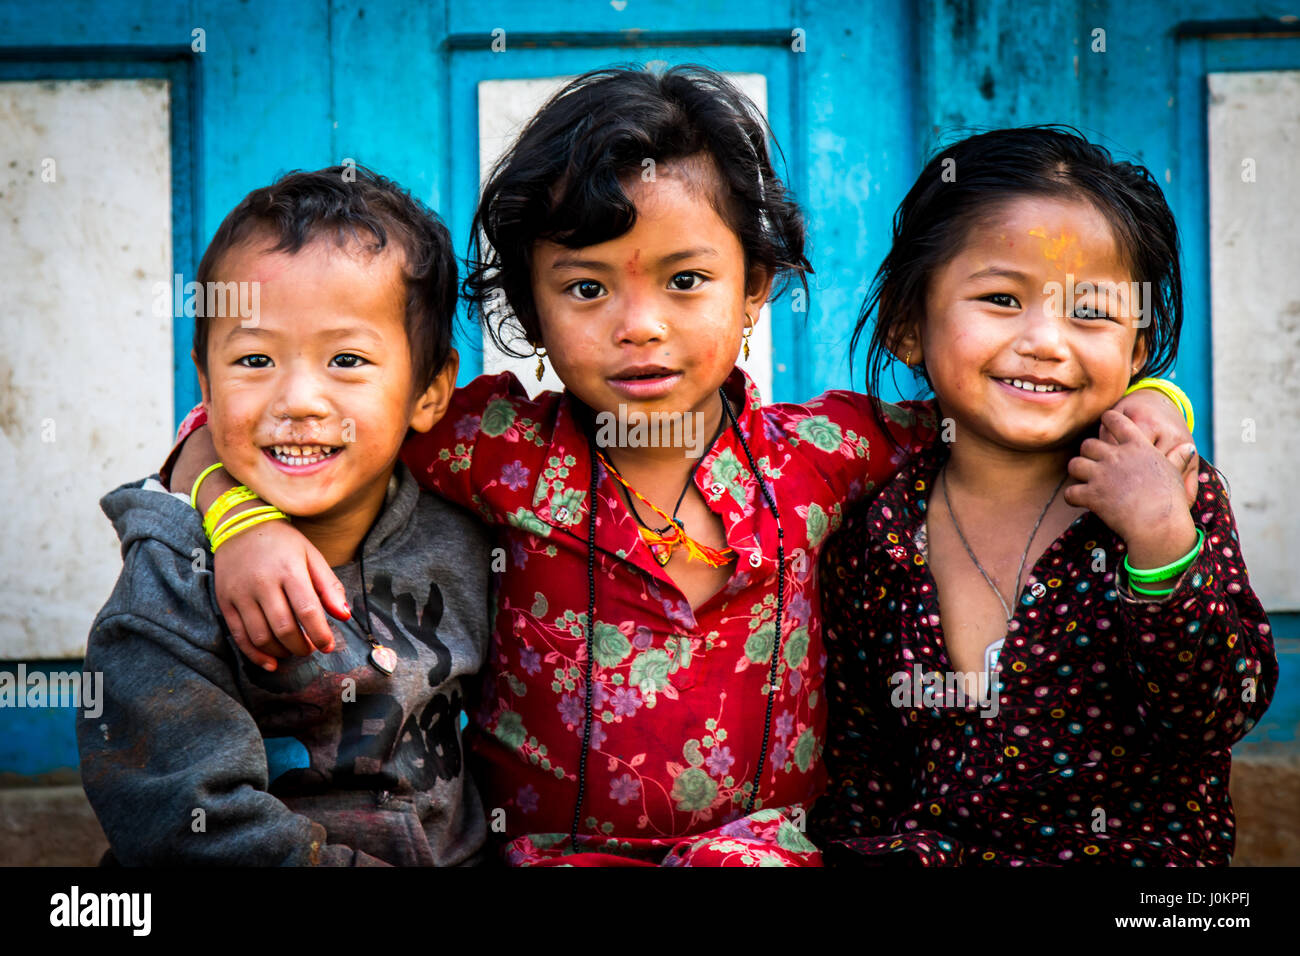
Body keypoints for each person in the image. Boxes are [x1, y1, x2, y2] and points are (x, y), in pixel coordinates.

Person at [163, 71, 1195, 866]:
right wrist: (236, 516)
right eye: (585, 287)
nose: (639, 325)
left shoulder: (824, 455)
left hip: (772, 851)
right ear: (527, 309)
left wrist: (1152, 401)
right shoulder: (489, 446)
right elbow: (247, 421)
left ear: (753, 289)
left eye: (687, 279)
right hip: (546, 855)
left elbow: (1004, 397)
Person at [812, 127, 1277, 866]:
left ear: (1133, 351)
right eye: (1001, 297)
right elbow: (864, 758)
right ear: (907, 325)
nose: (1046, 341)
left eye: (1090, 311)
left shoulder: (1168, 488)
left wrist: (1160, 542)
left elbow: (1218, 710)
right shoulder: (881, 531)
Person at [78, 166, 494, 865]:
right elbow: (185, 826)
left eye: (347, 358)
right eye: (257, 358)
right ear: (206, 384)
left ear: (429, 390)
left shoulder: (471, 539)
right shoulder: (171, 590)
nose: (298, 398)